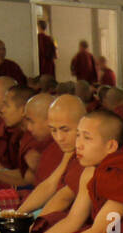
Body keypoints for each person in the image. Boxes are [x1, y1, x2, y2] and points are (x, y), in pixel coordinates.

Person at [19, 93, 85, 224]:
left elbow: (63, 198)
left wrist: (33, 229)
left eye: (65, 130)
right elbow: (50, 184)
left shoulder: (90, 153)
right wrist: (17, 216)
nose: (59, 138)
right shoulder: (69, 149)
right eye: (53, 130)